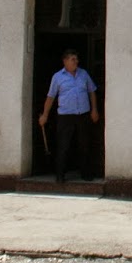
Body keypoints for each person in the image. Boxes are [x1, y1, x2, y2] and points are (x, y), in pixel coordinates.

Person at [38, 50, 98, 183]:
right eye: (73, 59)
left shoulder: (83, 74)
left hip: (83, 115)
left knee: (84, 144)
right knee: (63, 146)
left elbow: (92, 91)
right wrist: (45, 115)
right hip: (65, 116)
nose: (76, 62)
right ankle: (60, 175)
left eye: (76, 59)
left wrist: (94, 110)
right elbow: (51, 97)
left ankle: (85, 173)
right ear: (65, 61)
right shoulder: (57, 77)